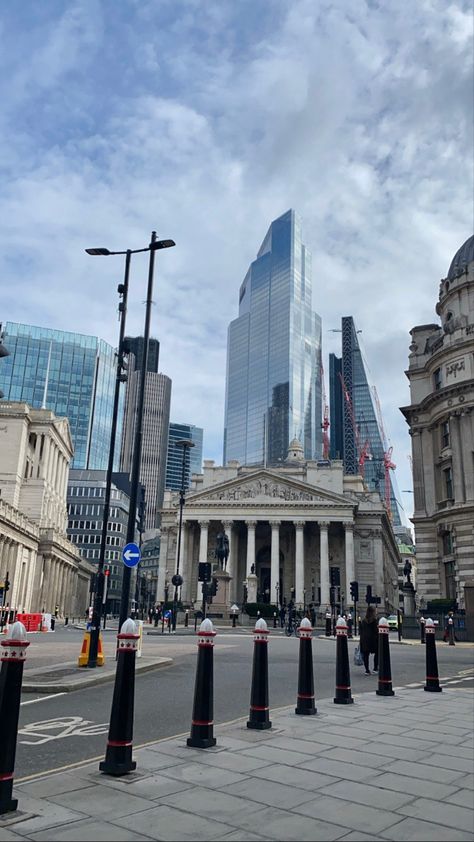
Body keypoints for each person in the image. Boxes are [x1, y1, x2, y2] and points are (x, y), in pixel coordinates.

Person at [359, 605, 379, 675]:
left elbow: (360, 631)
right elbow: (376, 631)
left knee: (366, 655)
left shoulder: (363, 621)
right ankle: (375, 668)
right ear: (373, 612)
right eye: (375, 611)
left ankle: (367, 670)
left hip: (364, 640)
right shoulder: (374, 621)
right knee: (377, 653)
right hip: (373, 640)